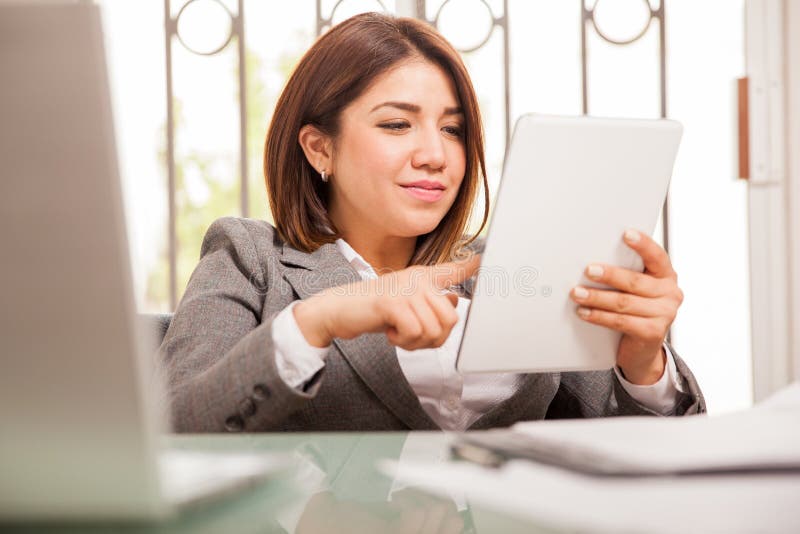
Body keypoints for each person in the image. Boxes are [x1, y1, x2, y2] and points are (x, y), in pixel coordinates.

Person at [160, 12, 704, 433]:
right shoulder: (250, 258)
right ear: (319, 148)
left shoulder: (511, 264)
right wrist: (319, 320)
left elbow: (642, 452)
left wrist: (644, 366)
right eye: (397, 124)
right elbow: (170, 431)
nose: (434, 155)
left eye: (452, 130)